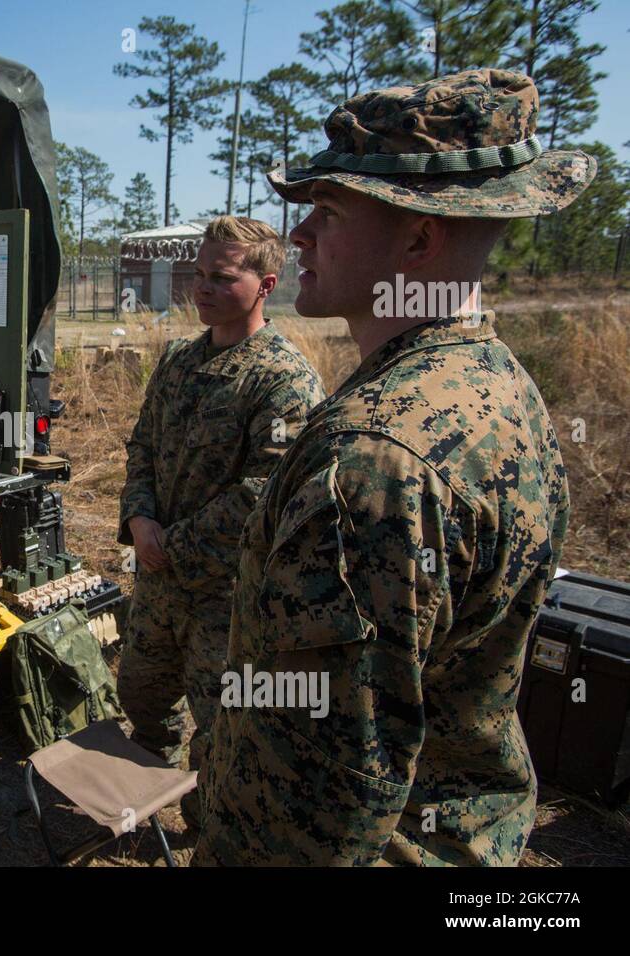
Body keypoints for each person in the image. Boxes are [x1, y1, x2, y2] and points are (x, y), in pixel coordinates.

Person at [193, 69, 595, 866]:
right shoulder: (498, 386)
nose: (299, 234)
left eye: (330, 211)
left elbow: (309, 812)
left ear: (418, 238)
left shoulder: (373, 464)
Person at [117, 215, 325, 822]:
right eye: (198, 275)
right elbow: (142, 448)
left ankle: (209, 829)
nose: (202, 289)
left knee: (222, 724)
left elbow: (266, 490)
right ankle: (141, 789)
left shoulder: (283, 379)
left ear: (266, 283)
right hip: (158, 577)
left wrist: (171, 543)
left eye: (221, 277)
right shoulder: (179, 362)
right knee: (143, 694)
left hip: (226, 595)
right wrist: (138, 519)